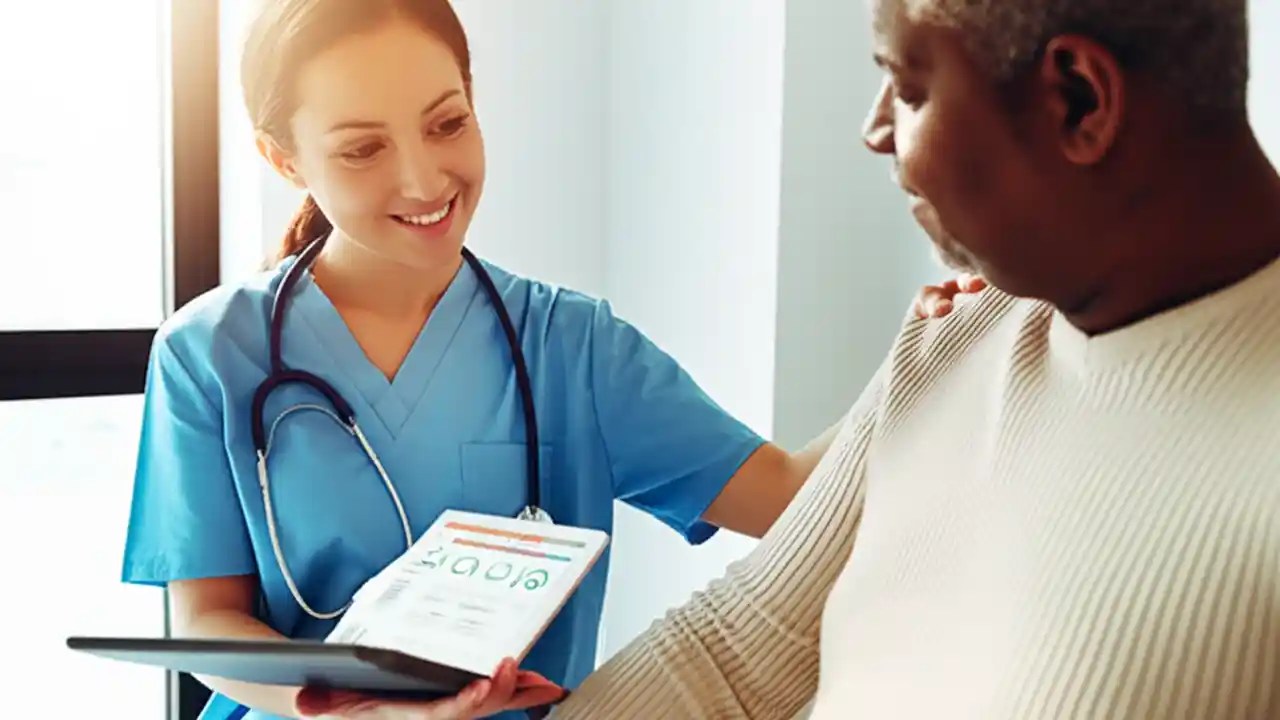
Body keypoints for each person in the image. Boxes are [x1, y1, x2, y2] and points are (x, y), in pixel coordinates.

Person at [118, 1, 977, 719]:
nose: (424, 180)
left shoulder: (572, 348)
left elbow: (788, 497)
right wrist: (357, 709)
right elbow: (208, 626)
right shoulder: (209, 355)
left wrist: (919, 360)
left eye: (447, 123)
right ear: (283, 159)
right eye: (362, 149)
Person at [534, 0, 1278, 718]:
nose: (876, 128)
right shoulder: (954, 335)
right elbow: (728, 658)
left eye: (912, 89)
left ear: (1079, 101)